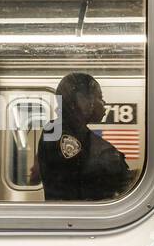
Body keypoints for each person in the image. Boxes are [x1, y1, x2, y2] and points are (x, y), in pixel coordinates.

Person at [35, 72, 132, 202]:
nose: (104, 103)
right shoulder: (56, 131)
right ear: (83, 101)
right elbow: (83, 174)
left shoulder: (78, 132)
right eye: (99, 97)